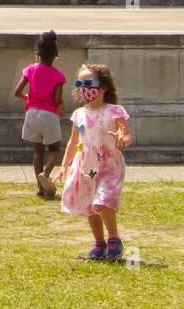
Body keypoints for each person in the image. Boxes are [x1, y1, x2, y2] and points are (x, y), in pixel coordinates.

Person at [53, 63, 132, 260]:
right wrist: (65, 165)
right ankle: (99, 241)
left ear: (103, 87)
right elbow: (73, 141)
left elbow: (125, 135)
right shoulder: (79, 114)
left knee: (104, 200)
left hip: (110, 164)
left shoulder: (115, 111)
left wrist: (122, 139)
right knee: (90, 205)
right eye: (80, 83)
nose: (84, 88)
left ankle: (114, 238)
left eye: (89, 83)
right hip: (86, 165)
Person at [11, 31, 66, 198]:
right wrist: (61, 107)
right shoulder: (58, 75)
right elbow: (57, 100)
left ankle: (40, 187)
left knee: (38, 151)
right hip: (48, 114)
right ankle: (46, 173)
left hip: (32, 114)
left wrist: (30, 98)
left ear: (38, 54)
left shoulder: (30, 70)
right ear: (56, 55)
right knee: (55, 149)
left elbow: (17, 92)